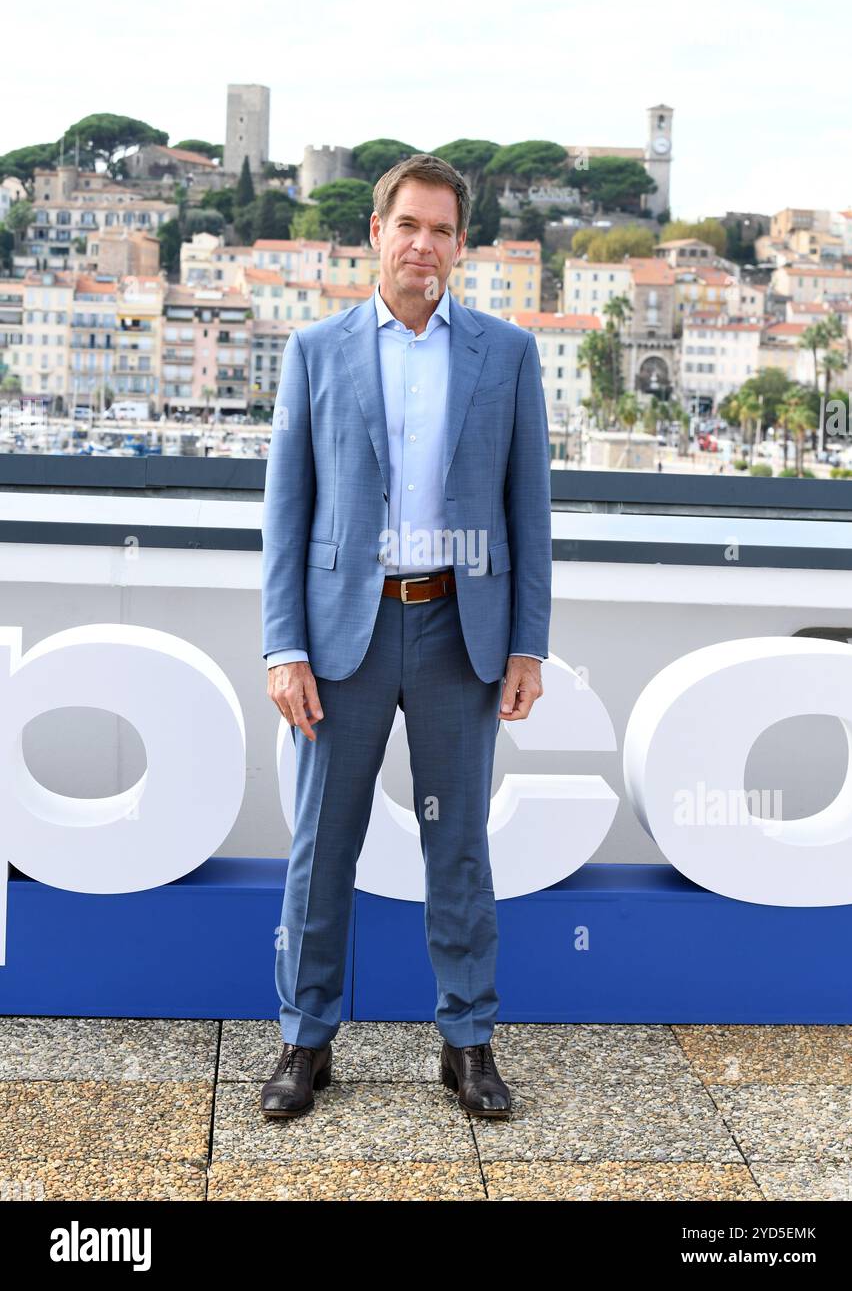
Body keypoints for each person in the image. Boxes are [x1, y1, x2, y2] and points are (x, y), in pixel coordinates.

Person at [260, 154, 552, 1121]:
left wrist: (527, 644)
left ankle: (467, 1043)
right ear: (375, 234)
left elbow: (528, 513)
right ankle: (307, 1038)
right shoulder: (316, 351)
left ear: (459, 247)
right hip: (342, 635)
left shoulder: (506, 354)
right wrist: (283, 646)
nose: (423, 244)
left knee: (458, 847)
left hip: (457, 634)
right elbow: (287, 514)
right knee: (320, 845)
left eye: (442, 230)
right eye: (408, 225)